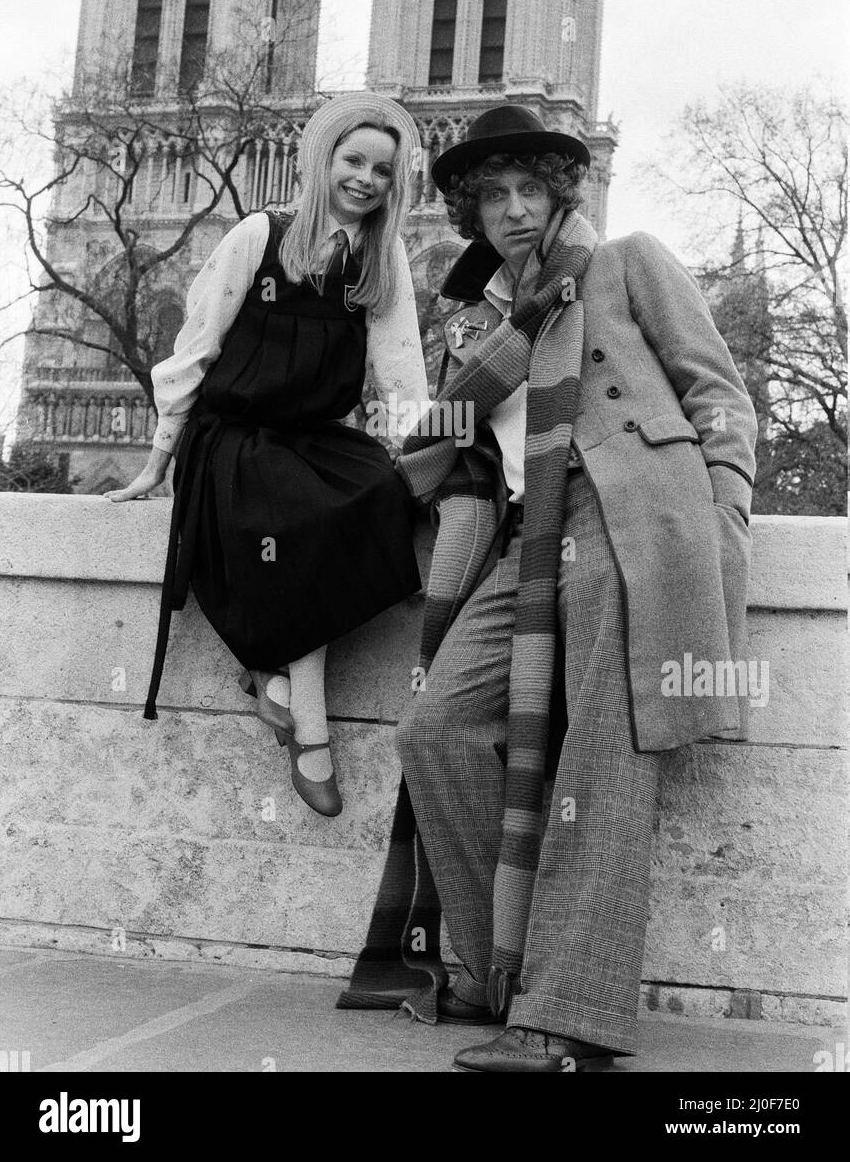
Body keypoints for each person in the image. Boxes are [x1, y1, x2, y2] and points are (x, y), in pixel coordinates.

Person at [339, 104, 757, 1071]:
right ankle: (498, 973)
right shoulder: (475, 328)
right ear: (471, 213)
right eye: (494, 197)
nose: (516, 211)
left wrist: (721, 520)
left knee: (605, 759)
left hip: (626, 516)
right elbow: (440, 450)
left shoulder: (626, 263)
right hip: (522, 542)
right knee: (434, 729)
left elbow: (717, 394)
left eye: (531, 190)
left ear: (561, 194)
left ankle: (565, 1019)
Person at [106, 92, 430, 818]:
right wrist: (160, 459)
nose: (366, 179)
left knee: (381, 493)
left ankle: (270, 674)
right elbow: (199, 344)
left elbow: (400, 364)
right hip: (234, 437)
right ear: (321, 160)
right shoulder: (261, 233)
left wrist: (433, 458)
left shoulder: (381, 256)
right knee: (307, 515)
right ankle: (310, 731)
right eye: (353, 160)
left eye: (382, 169)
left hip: (312, 438)